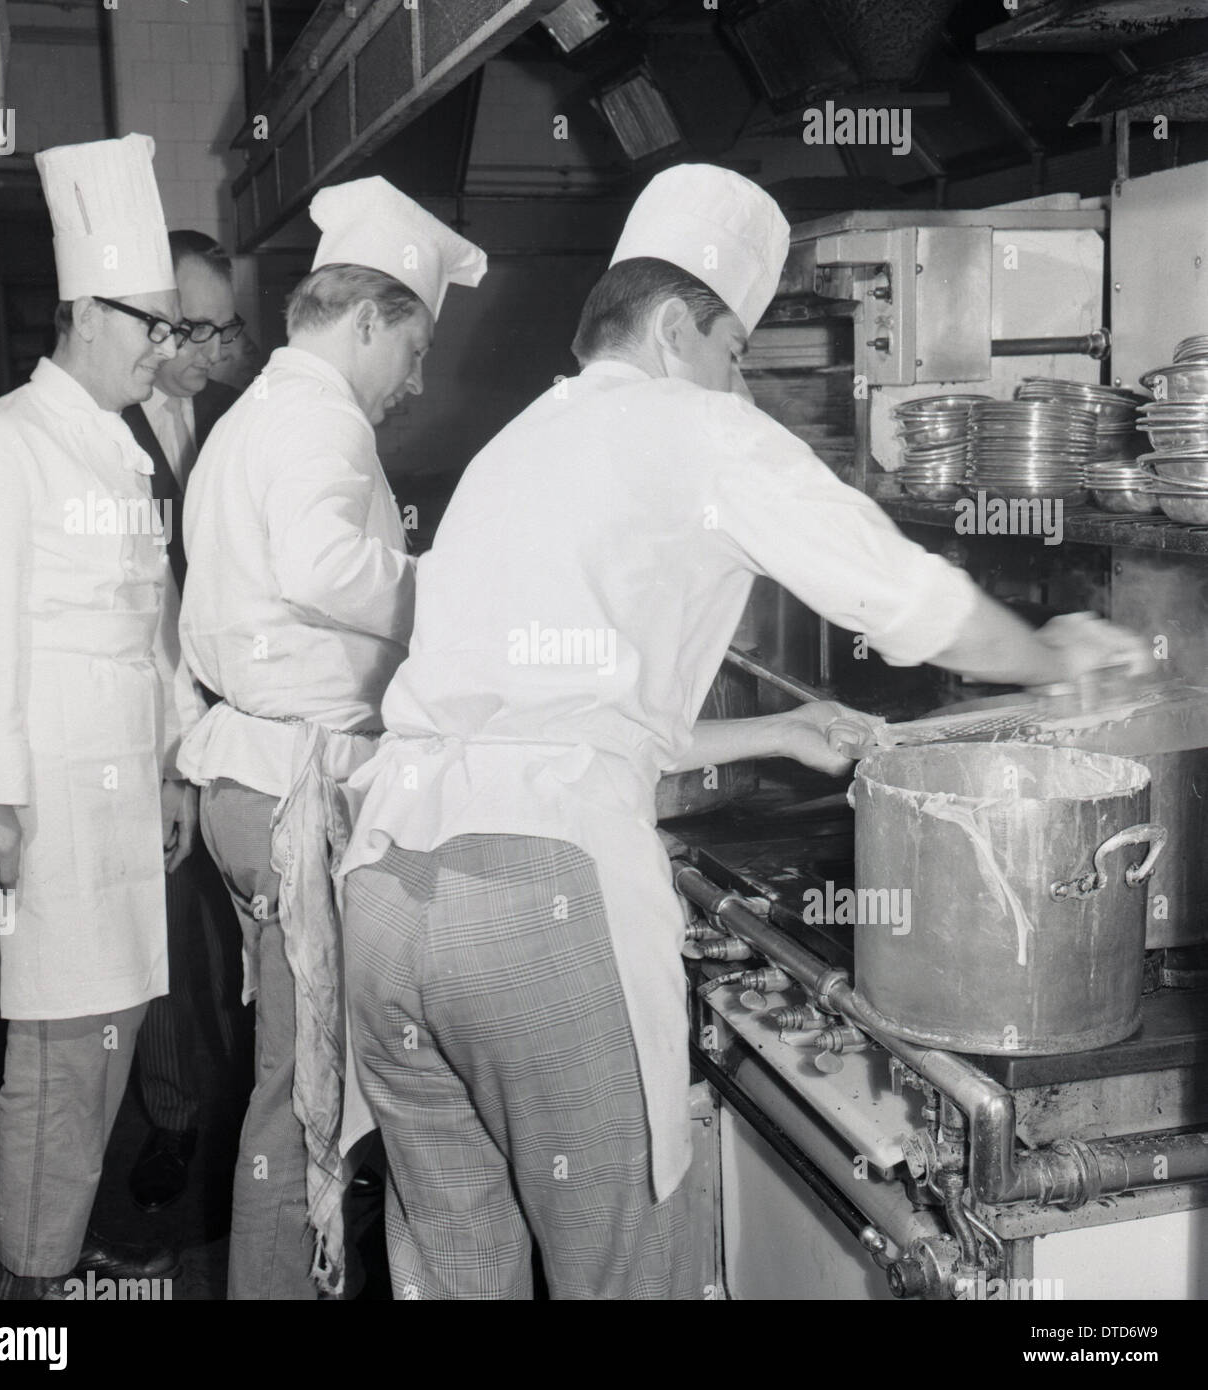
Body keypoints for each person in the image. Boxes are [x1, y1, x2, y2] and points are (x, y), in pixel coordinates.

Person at [337, 163, 1151, 1300]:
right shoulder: (696, 429)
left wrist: (780, 727)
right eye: (735, 354)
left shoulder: (512, 449)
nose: (742, 385)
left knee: (458, 1271)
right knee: (622, 1274)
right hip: (536, 904)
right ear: (676, 331)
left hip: (385, 891)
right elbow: (896, 593)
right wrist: (1048, 655)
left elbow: (551, 714)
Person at [178, 176, 486, 1299]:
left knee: (298, 1083)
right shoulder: (319, 417)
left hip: (253, 780)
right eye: (409, 351)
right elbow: (321, 571)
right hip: (291, 789)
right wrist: (446, 598)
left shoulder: (253, 415)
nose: (412, 383)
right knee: (303, 1095)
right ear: (367, 318)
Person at [0, 133, 203, 1300]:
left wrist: (178, 769)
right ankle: (23, 1303)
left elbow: (155, 629)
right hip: (50, 819)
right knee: (53, 1063)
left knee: (106, 1041)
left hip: (128, 809)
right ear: (87, 313)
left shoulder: (117, 455)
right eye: (158, 326)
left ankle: (57, 1244)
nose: (170, 351)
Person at [121, 229, 249, 1214]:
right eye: (196, 328)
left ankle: (240, 1119)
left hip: (231, 716)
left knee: (233, 926)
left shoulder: (231, 422)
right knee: (167, 937)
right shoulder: (112, 432)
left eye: (222, 325)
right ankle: (173, 1122)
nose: (212, 348)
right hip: (152, 731)